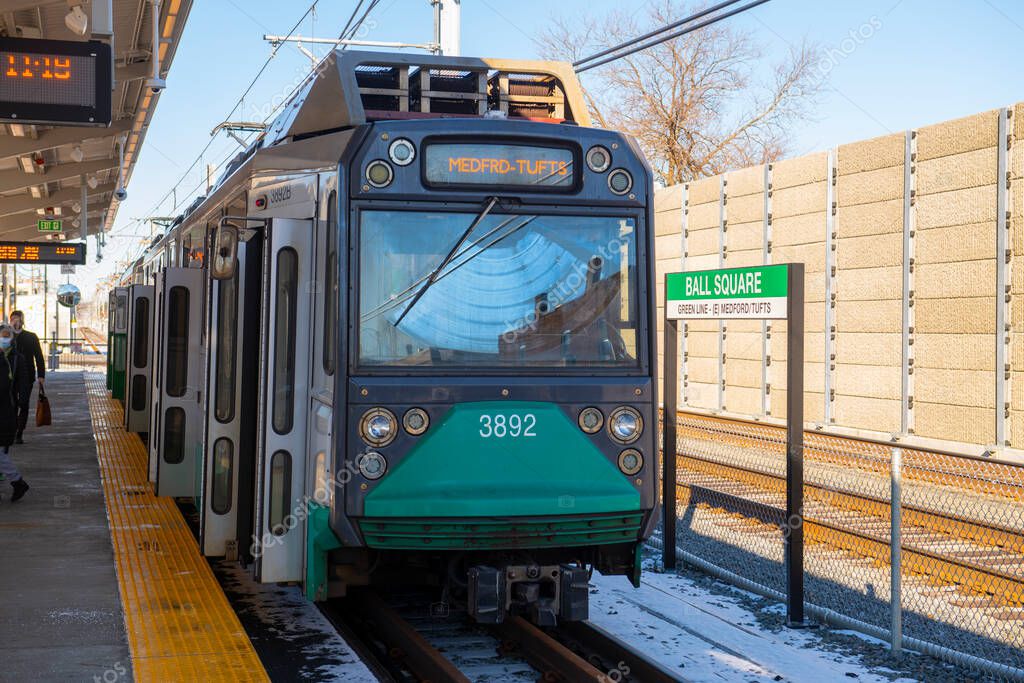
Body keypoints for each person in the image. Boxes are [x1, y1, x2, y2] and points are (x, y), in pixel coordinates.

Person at [0, 324, 30, 501]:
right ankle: (18, 482)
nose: (3, 339)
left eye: (6, 336)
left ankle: (18, 482)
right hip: (5, 410)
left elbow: (17, 383)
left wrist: (22, 403)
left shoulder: (13, 359)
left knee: (1, 453)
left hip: (5, 411)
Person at [10, 310, 44, 444]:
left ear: (22, 321)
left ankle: (20, 432)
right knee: (12, 404)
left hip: (27, 376)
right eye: (13, 319)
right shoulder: (6, 336)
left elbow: (39, 356)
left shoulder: (31, 337)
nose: (15, 322)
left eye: (17, 319)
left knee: (23, 403)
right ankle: (13, 430)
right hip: (10, 376)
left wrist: (41, 375)